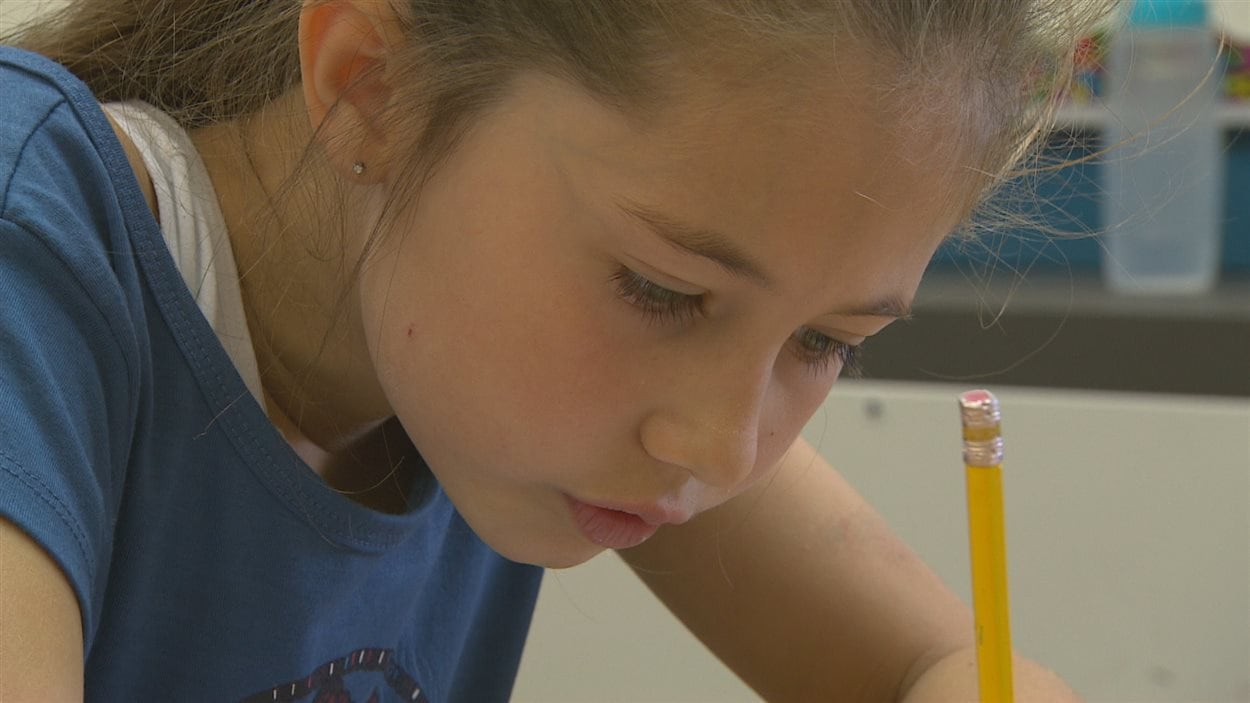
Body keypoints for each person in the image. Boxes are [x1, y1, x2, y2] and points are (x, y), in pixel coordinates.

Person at [0, 1, 1116, 700]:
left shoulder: (498, 369)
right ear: (370, 91)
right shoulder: (33, 240)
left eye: (825, 342)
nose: (720, 451)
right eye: (660, 291)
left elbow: (937, 667)